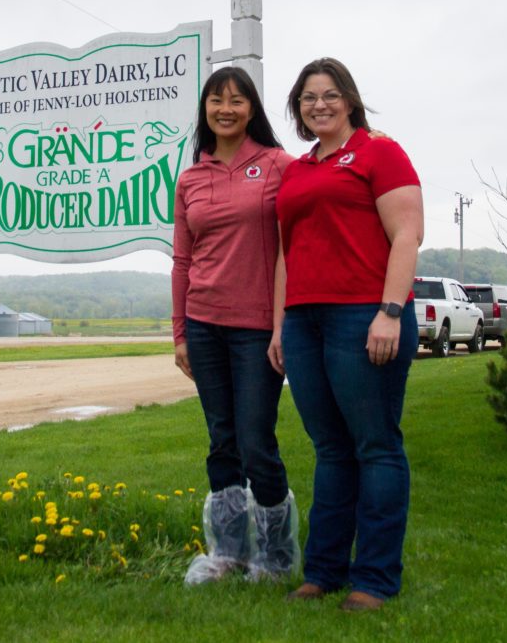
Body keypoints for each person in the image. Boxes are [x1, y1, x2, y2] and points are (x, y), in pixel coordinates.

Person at [269, 57, 423, 611]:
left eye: (330, 95)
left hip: (363, 316)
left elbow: (407, 233)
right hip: (306, 323)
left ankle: (374, 580)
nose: (320, 105)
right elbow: (287, 250)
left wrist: (390, 310)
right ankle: (324, 573)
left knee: (376, 447)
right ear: (298, 108)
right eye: (309, 97)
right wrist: (281, 323)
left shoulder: (380, 151)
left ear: (350, 100)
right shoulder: (298, 169)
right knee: (330, 449)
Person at [172, 66, 300, 585]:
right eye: (216, 101)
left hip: (256, 330)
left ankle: (275, 557)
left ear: (252, 109)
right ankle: (227, 554)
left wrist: (280, 327)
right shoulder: (190, 177)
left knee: (255, 441)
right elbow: (182, 262)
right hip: (204, 324)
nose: (226, 109)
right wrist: (179, 332)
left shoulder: (277, 165)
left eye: (237, 100)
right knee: (221, 441)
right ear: (205, 110)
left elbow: (289, 251)